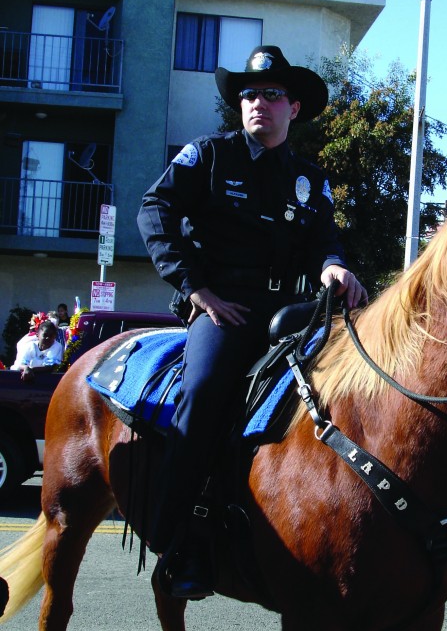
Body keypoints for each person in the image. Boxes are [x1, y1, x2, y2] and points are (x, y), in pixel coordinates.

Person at [137, 45, 367, 600]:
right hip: (226, 308)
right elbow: (154, 210)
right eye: (249, 95)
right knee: (207, 389)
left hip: (292, 311)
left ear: (293, 108)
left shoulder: (311, 180)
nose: (258, 103)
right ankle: (179, 539)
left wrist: (335, 266)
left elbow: (324, 242)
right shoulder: (208, 155)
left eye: (271, 95)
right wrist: (196, 288)